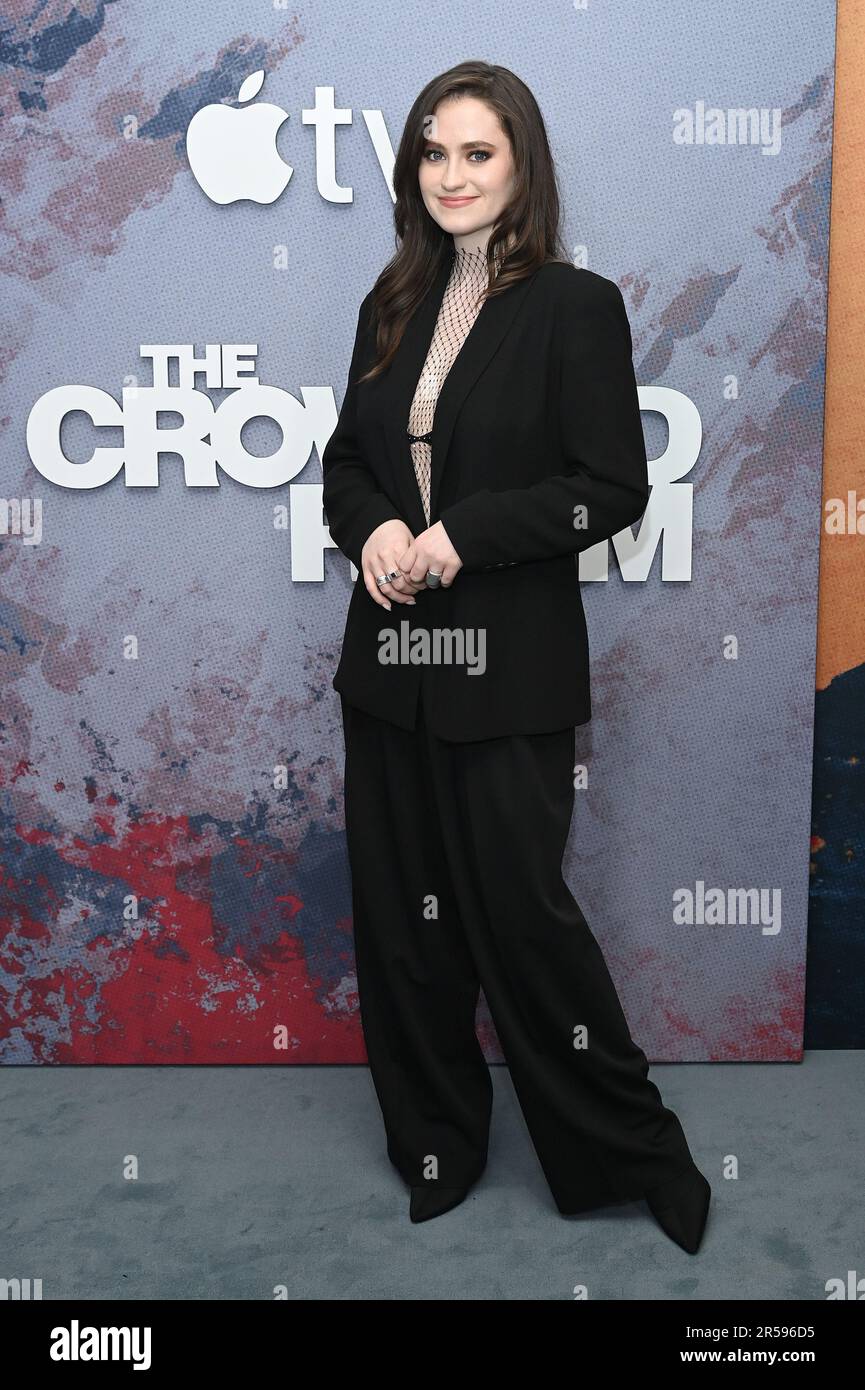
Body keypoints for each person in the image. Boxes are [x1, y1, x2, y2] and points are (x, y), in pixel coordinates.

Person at [322, 61, 711, 1253]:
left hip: (507, 662)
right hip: (390, 664)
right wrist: (379, 527)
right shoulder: (389, 303)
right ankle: (435, 1144)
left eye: (476, 154)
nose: (451, 176)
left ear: (522, 164)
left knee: (523, 919)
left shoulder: (573, 305)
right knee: (403, 926)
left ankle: (626, 1152)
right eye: (433, 154)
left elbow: (609, 489)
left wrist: (454, 540)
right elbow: (347, 465)